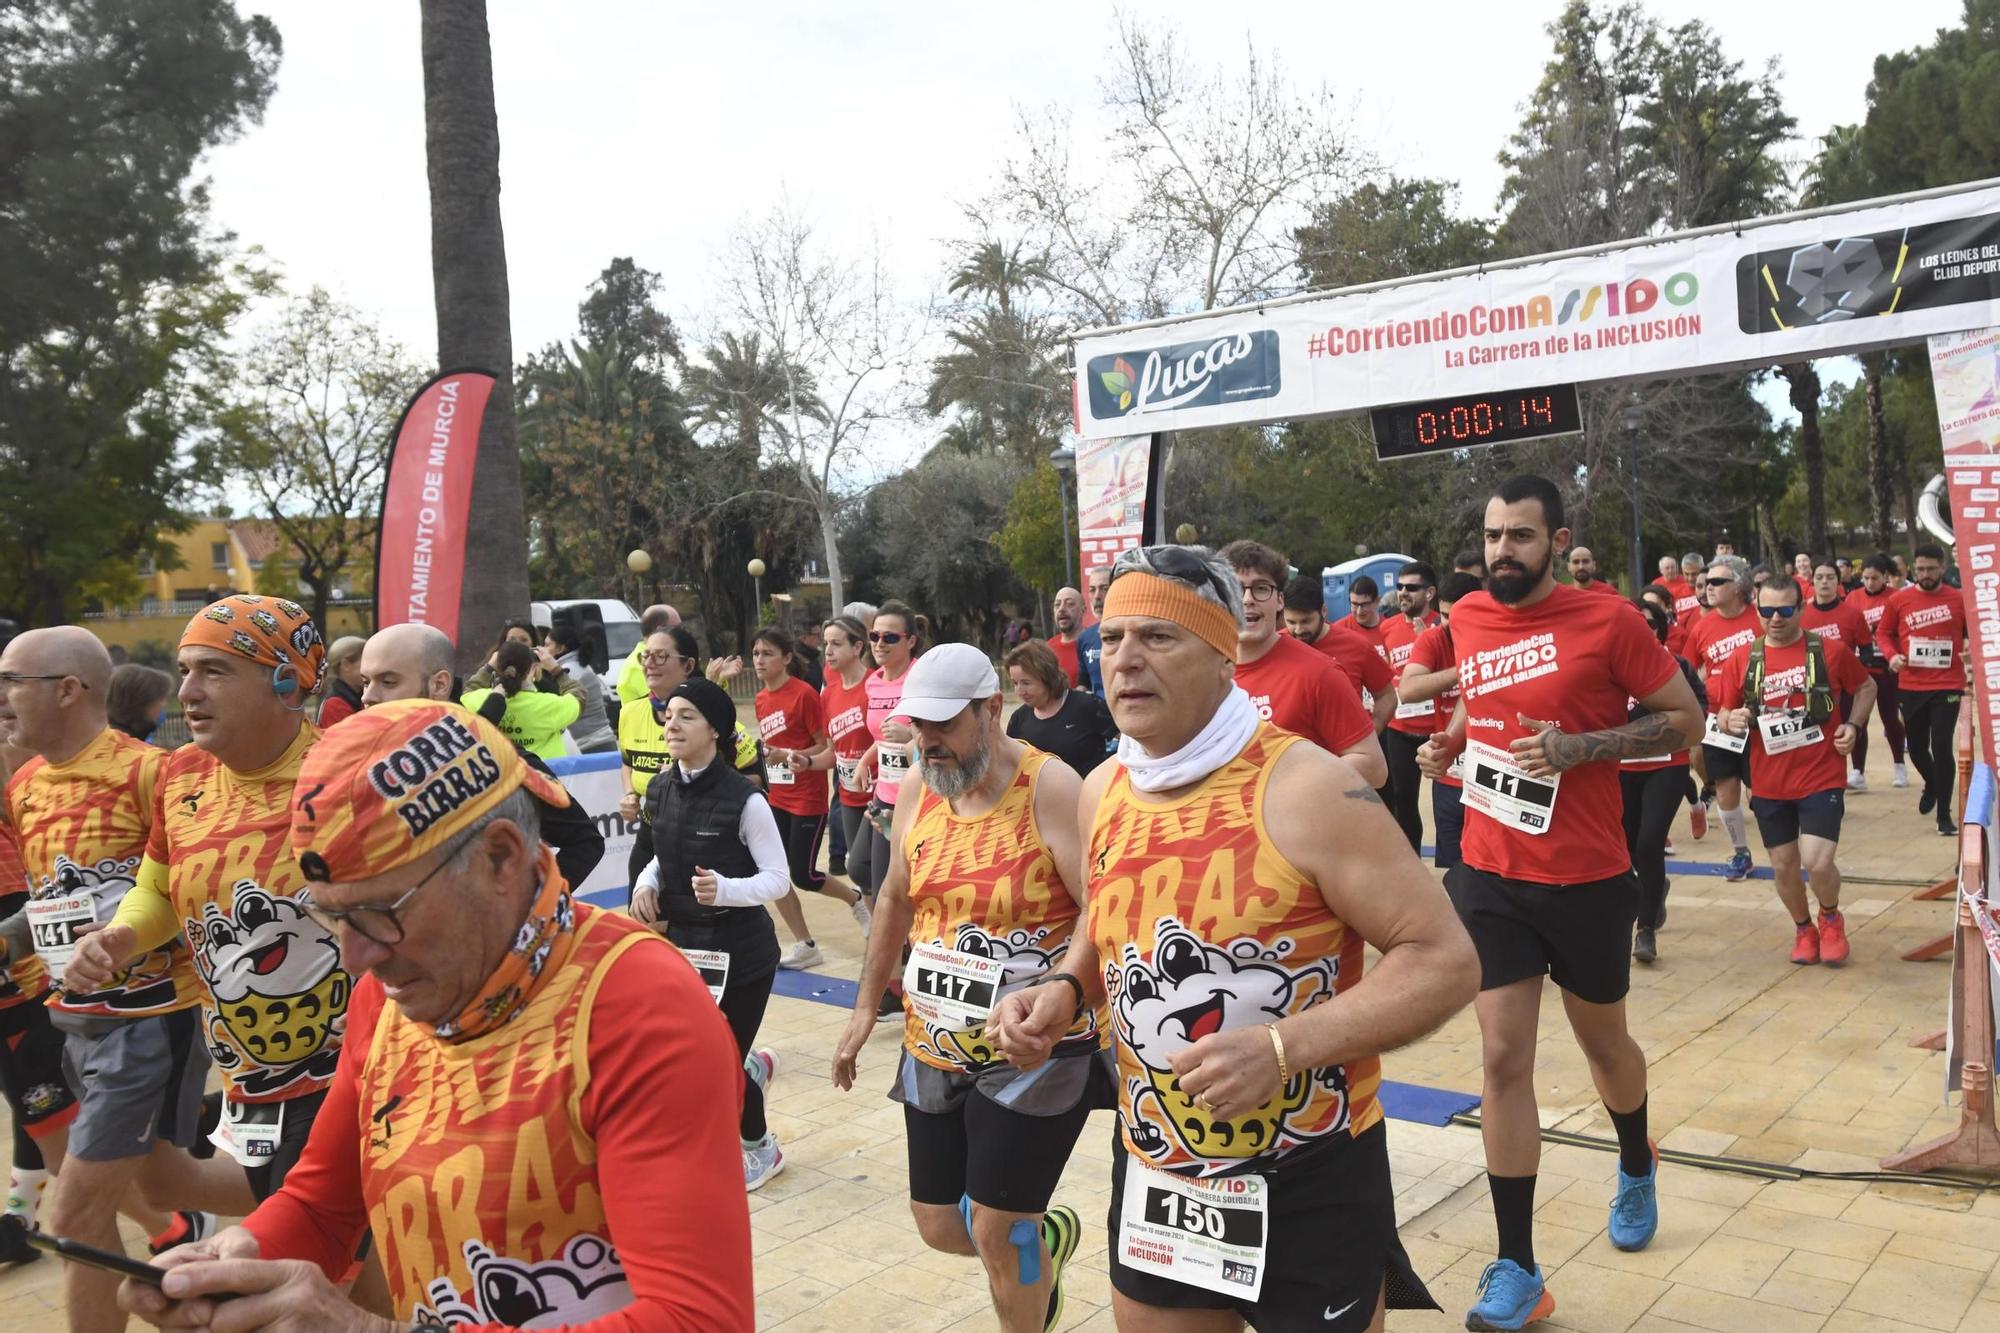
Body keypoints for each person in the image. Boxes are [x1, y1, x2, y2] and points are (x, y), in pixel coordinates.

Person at [121, 699, 756, 1330]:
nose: (353, 959)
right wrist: (237, 1257)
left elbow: (699, 1321)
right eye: (331, 915)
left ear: (501, 858)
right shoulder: (389, 996)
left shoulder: (640, 1006)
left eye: (377, 912)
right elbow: (321, 1206)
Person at [989, 544, 1476, 1331]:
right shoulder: (1106, 787)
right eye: (1112, 639)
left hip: (1308, 1168)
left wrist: (1284, 1048)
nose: (1125, 660)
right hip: (1160, 1167)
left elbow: (1446, 958)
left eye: (1158, 637)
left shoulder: (1311, 785)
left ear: (1223, 656)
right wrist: (1067, 987)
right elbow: (1108, 909)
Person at [1416, 476, 1702, 1329]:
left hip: (1586, 874)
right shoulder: (1467, 614)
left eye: (1520, 537)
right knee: (1503, 1059)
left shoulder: (1608, 619)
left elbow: (1683, 718)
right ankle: (1517, 1267)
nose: (1503, 551)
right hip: (1490, 870)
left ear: (1557, 538)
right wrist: (1451, 743)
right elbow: (1481, 696)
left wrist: (1583, 746)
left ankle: (1635, 1155)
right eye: (1494, 535)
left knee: (1604, 1045)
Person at [832, 644, 1101, 1333]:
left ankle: (1028, 1299)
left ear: (990, 711)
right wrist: (866, 1006)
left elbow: (1102, 913)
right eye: (918, 727)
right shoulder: (923, 786)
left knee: (1001, 1231)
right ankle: (1049, 1245)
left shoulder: (1053, 787)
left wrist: (1066, 994)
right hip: (933, 1037)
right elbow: (893, 896)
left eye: (943, 726)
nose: (927, 743)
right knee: (938, 1223)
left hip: (1034, 1051)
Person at [64, 597, 358, 1213]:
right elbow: (157, 889)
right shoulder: (184, 774)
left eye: (215, 671)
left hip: (344, 1076)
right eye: (185, 669)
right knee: (205, 1203)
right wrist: (120, 936)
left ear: (285, 681)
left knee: (311, 1265)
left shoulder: (349, 773)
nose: (187, 691)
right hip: (245, 1078)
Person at [0, 629, 228, 1324]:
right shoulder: (26, 785)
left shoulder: (154, 773)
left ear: (67, 689)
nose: (2, 698)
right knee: (165, 1178)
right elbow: (51, 899)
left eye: (11, 680)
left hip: (148, 1020)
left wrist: (131, 940)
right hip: (73, 1021)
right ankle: (317, 1193)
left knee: (74, 1213)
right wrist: (9, 941)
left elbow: (201, 887)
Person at [628, 678, 796, 1193]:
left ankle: (761, 1147)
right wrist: (646, 881)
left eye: (687, 717)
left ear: (716, 730)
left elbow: (778, 879)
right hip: (686, 946)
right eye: (669, 715)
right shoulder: (660, 786)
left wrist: (725, 889)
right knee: (700, 1051)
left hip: (743, 952)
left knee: (719, 1060)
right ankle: (751, 1062)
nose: (672, 725)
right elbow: (666, 849)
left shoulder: (747, 800)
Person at [356, 624, 604, 889]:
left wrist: (521, 907)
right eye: (364, 682)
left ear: (439, 684)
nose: (368, 696)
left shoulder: (497, 760)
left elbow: (585, 843)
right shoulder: (355, 757)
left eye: (388, 682)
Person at [1714, 577, 1875, 965]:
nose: (1775, 619)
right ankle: (1804, 928)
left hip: (1821, 776)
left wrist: (1852, 726)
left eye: (1785, 610)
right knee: (1784, 867)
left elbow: (1867, 687)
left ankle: (1831, 916)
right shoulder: (1743, 659)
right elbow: (1721, 713)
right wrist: (1729, 719)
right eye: (1767, 611)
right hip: (1769, 782)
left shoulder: (1830, 652)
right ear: (1756, 610)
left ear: (1800, 609)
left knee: (1817, 861)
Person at [1220, 540, 1387, 789]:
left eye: (1261, 588)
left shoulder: (1319, 673)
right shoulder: (1199, 673)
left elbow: (1373, 768)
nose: (1247, 599)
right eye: (1235, 588)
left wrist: (1284, 787)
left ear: (1279, 600)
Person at [617, 627, 765, 907]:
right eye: (645, 656)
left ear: (688, 665)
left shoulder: (715, 720)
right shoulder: (629, 713)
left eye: (660, 656)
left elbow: (756, 780)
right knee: (644, 928)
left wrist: (692, 784)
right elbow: (628, 763)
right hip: (650, 836)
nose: (649, 663)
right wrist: (630, 794)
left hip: (706, 841)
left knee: (695, 937)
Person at [751, 626, 872, 954]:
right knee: (771, 869)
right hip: (777, 795)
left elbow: (823, 745)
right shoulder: (761, 699)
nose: (759, 660)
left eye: (767, 653)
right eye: (756, 654)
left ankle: (856, 900)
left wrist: (794, 758)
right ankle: (805, 944)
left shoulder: (804, 695)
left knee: (803, 874)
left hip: (808, 796)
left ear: (787, 658)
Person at [1622, 601, 1706, 964]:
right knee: (1623, 849)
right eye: (1637, 624)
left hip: (1666, 766)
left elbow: (1699, 712)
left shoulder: (1678, 667)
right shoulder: (1609, 668)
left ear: (1661, 630)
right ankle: (1653, 889)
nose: (1645, 631)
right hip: (1621, 768)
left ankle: (1645, 930)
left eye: (1652, 625)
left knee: (1649, 843)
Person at [1880, 543, 1969, 835]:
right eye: (1920, 569)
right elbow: (1883, 632)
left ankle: (1944, 814)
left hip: (1948, 684)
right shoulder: (1900, 600)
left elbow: (1973, 633)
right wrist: (1892, 655)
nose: (1925, 574)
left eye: (1931, 569)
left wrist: (1969, 650)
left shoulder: (1958, 599)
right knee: (1917, 748)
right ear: (1912, 568)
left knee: (1942, 745)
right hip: (1911, 683)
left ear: (1943, 567)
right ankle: (1932, 783)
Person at [1683, 557, 1763, 880]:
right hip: (1719, 720)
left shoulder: (1760, 620)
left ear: (1739, 585)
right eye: (1707, 582)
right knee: (1726, 786)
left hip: (1758, 718)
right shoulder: (1702, 627)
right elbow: (1686, 668)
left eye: (1718, 582)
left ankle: (1783, 846)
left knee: (1762, 791)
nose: (1709, 587)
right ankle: (1741, 853)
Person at [1397, 572, 1482, 871]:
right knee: (1454, 869)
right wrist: (1470, 669)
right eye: (1444, 615)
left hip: (1491, 772)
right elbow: (1408, 690)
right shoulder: (1435, 638)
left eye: (1458, 617)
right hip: (1450, 772)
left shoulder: (1498, 637)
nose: (1449, 624)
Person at [1281, 574, 1396, 734]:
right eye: (1291, 622)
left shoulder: (1357, 646)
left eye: (1306, 621)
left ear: (1323, 611)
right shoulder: (1276, 646)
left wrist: (1371, 733)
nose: (1299, 630)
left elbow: (1387, 695)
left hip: (1347, 754)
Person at [1379, 560, 1442, 852]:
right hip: (1400, 727)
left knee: (1446, 803)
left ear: (1429, 593)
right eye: (1400, 587)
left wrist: (1427, 640)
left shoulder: (1444, 624)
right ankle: (1411, 861)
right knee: (1403, 799)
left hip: (1439, 730)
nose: (1403, 593)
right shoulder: (1387, 627)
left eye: (1411, 588)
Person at [1800, 560, 1873, 789]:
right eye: (1820, 577)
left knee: (1852, 726)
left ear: (1838, 582)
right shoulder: (1802, 614)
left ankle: (1858, 771)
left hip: (1846, 684)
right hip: (1811, 685)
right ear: (1812, 581)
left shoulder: (1852, 614)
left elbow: (1867, 649)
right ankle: (1821, 780)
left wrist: (1852, 670)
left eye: (1830, 577)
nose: (1824, 582)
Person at [1003, 638, 1118, 777]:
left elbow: (1129, 741)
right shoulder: (1018, 719)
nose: (1019, 691)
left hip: (1089, 794)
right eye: (1015, 683)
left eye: (1026, 683)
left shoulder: (1086, 705)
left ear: (1047, 677)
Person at [462, 640, 582, 761]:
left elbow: (469, 689)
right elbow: (578, 697)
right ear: (530, 669)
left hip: (501, 774)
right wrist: (556, 669)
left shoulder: (481, 700)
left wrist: (488, 668)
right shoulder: (547, 704)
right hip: (542, 774)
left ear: (498, 667)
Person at [1848, 554, 1910, 789]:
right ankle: (1857, 772)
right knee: (1858, 719)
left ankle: (1899, 765)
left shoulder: (1895, 597)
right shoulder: (1853, 598)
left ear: (1885, 577)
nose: (1870, 582)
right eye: (1865, 578)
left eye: (1875, 578)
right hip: (1861, 666)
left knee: (1890, 717)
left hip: (1887, 666)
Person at [819, 616, 873, 881]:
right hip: (848, 796)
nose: (828, 651)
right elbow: (832, 752)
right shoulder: (829, 694)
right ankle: (873, 923)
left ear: (857, 647)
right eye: (826, 643)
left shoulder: (876, 686)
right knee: (862, 878)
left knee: (863, 868)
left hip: (880, 795)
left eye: (836, 644)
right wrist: (804, 763)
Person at [545, 621, 617, 753]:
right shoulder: (578, 665)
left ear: (560, 649)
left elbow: (556, 708)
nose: (543, 650)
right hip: (599, 741)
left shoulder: (568, 671)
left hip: (590, 745)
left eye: (547, 645)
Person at [615, 603, 683, 705]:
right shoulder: (639, 666)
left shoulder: (657, 656)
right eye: (678, 627)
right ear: (660, 629)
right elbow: (669, 701)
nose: (682, 632)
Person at [106, 662, 176, 743]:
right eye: (161, 698)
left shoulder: (100, 740)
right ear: (141, 702)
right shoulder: (131, 749)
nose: (165, 704)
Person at [1075, 565, 1111, 700]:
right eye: (1092, 590)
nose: (1097, 596)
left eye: (1104, 589)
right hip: (1098, 717)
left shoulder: (1134, 632)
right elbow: (1083, 684)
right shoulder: (1085, 639)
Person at [316, 636, 367, 728]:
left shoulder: (355, 695)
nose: (370, 667)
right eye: (365, 661)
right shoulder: (335, 705)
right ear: (346, 665)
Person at [1048, 586, 1086, 687]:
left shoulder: (1093, 643)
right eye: (1057, 605)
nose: (1062, 609)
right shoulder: (1047, 649)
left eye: (1070, 604)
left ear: (1083, 610)